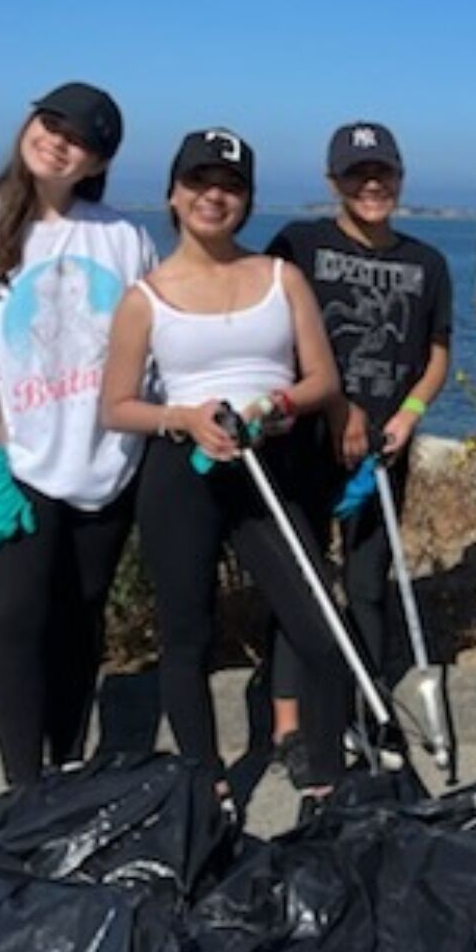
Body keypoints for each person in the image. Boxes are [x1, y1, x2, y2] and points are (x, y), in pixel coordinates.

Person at [100, 129, 353, 800]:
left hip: (268, 469)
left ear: (248, 200)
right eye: (199, 183)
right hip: (183, 474)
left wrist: (278, 403)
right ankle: (205, 784)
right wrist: (183, 418)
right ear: (173, 195)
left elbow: (323, 379)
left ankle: (326, 785)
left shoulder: (280, 277)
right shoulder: (144, 297)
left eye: (231, 186)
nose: (214, 197)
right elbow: (117, 407)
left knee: (319, 629)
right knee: (187, 636)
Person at [0, 81, 154, 785]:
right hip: (14, 463)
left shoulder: (124, 237)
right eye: (50, 123)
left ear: (97, 161)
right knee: (13, 619)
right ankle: (24, 789)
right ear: (29, 124)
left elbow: (151, 350)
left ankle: (67, 767)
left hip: (105, 463)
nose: (57, 141)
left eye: (78, 139)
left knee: (81, 617)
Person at [262, 121, 453, 780]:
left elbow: (436, 353)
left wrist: (409, 415)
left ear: (400, 178)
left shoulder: (427, 262)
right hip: (306, 442)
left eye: (383, 173)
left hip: (382, 451)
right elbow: (275, 335)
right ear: (333, 181)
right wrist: (337, 408)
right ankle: (289, 724)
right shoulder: (299, 245)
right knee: (304, 581)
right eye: (356, 175)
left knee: (368, 584)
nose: (371, 185)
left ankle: (371, 709)